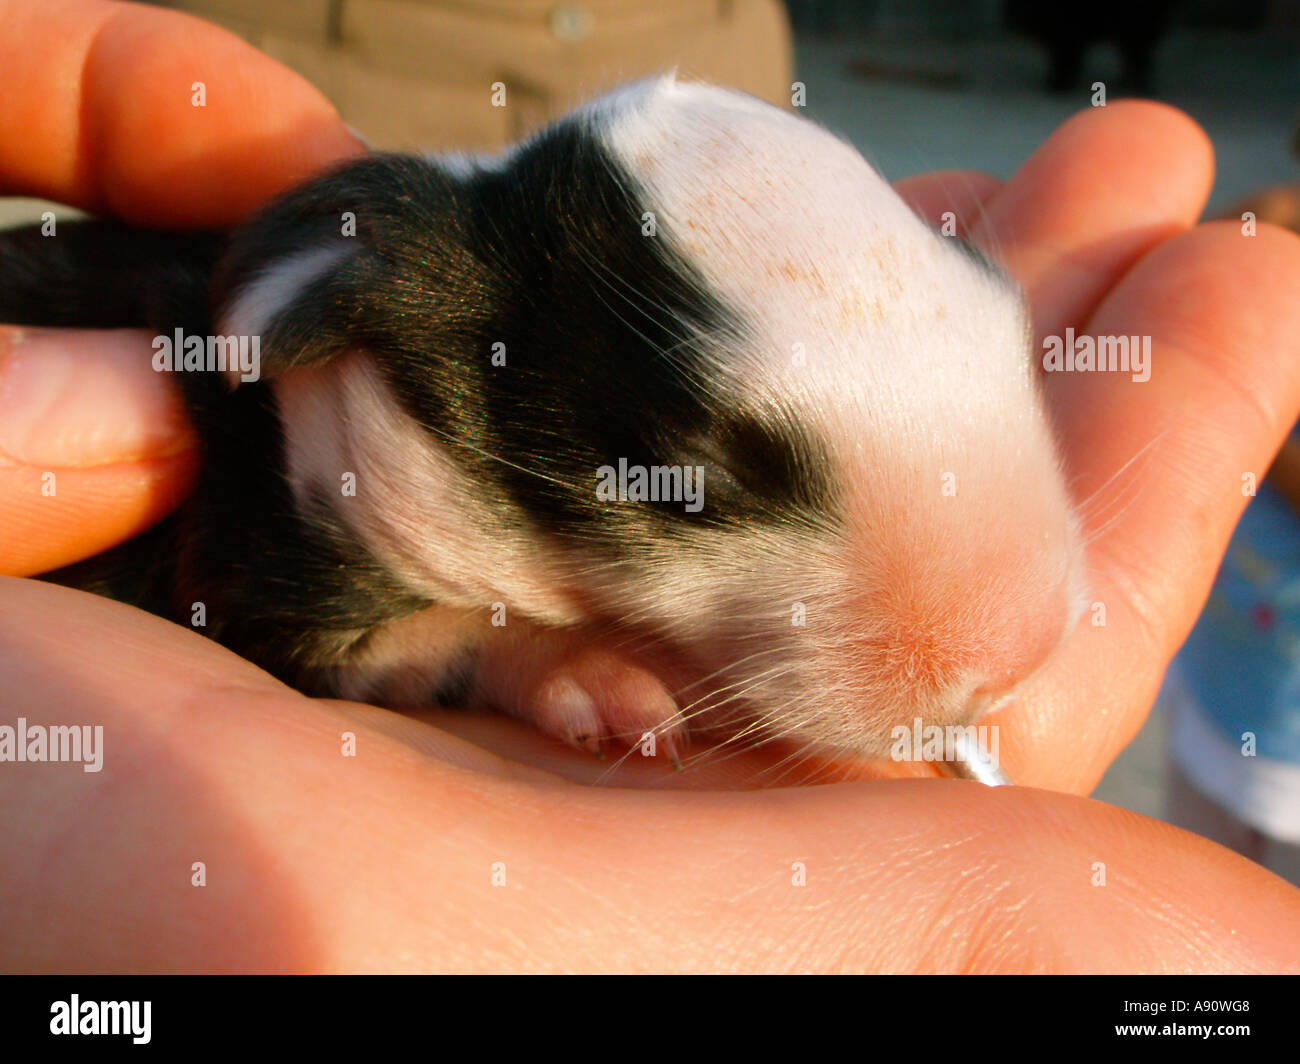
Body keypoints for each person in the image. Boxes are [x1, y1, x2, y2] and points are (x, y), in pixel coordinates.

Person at [1, 0, 1298, 972]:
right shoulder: (344, 385)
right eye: (708, 482)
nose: (1009, 649)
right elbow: (291, 603)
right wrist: (481, 656)